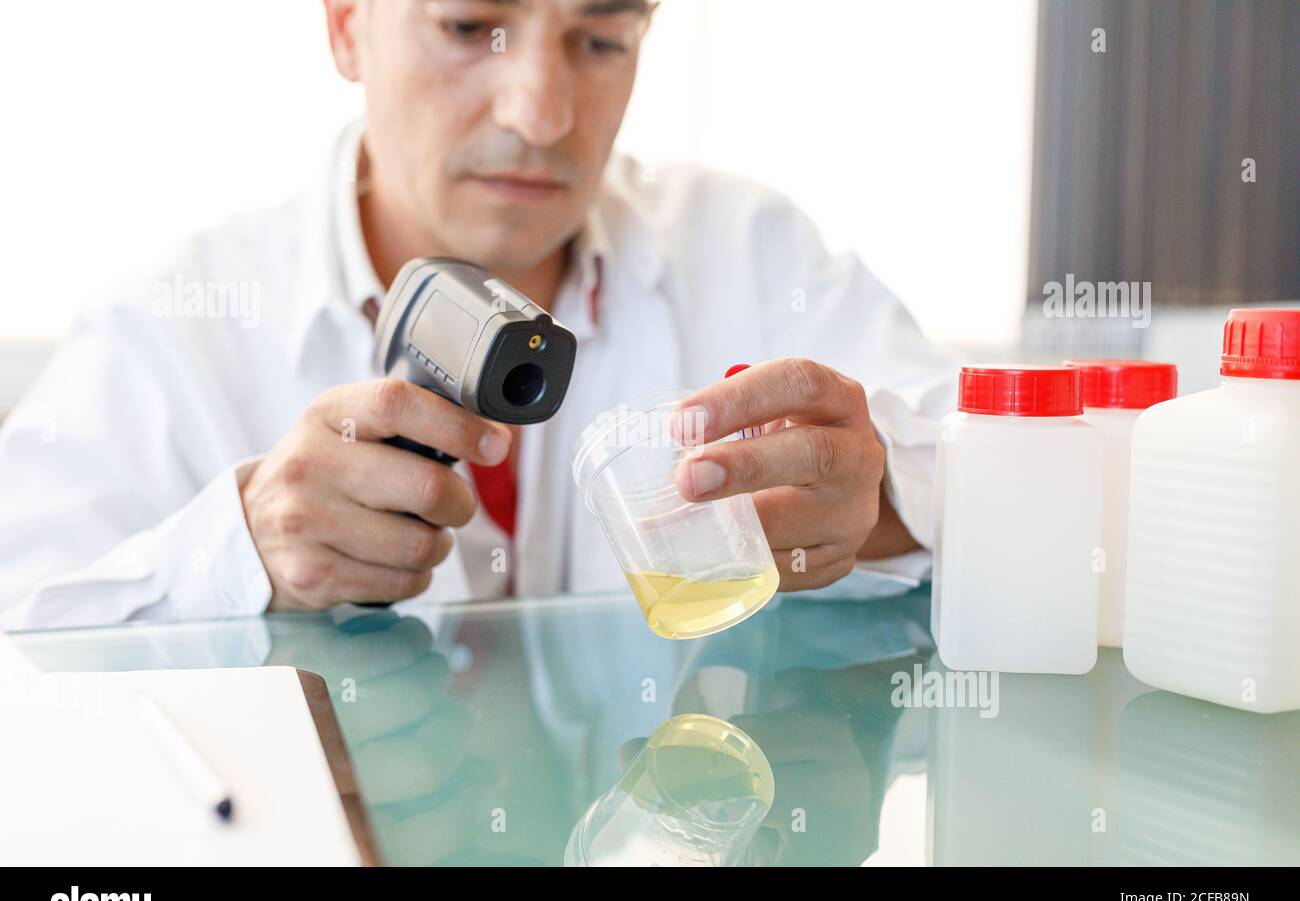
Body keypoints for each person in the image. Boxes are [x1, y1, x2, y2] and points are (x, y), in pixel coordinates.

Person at [0, 0, 954, 629]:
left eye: (601, 39)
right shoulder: (171, 329)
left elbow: (1004, 476)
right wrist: (241, 555)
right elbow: (24, 639)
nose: (540, 113)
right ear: (345, 25)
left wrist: (872, 499)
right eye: (467, 24)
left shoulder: (750, 251)